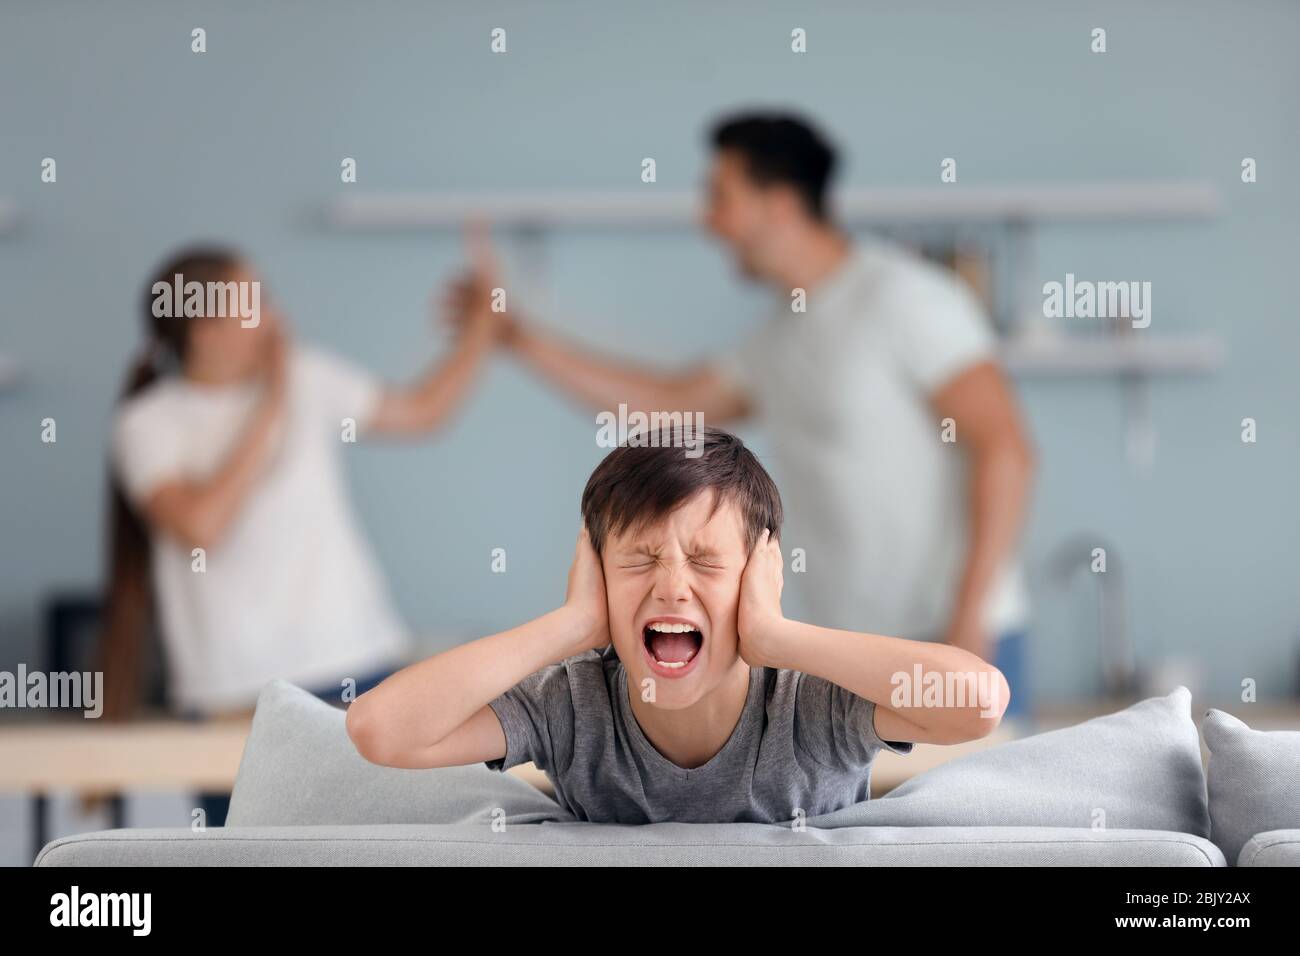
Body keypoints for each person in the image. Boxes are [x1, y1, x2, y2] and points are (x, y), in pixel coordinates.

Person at [445, 112, 1037, 718]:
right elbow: (666, 408)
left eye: (719, 196)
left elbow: (1005, 449)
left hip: (956, 637)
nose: (708, 220)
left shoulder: (906, 298)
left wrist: (969, 620)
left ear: (778, 204)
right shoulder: (779, 337)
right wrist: (517, 340)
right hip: (853, 649)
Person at [346, 427, 1008, 824]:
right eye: (636, 560)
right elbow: (380, 731)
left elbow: (977, 705)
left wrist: (777, 636)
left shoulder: (810, 700)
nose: (671, 586)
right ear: (594, 571)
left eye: (706, 561)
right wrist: (572, 625)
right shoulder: (569, 705)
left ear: (758, 574)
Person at [98, 244, 500, 824]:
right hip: (237, 694)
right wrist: (275, 401)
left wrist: (482, 330)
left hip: (360, 665)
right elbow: (203, 524)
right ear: (208, 329)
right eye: (255, 301)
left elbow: (424, 411)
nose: (276, 316)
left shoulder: (313, 379)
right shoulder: (149, 423)